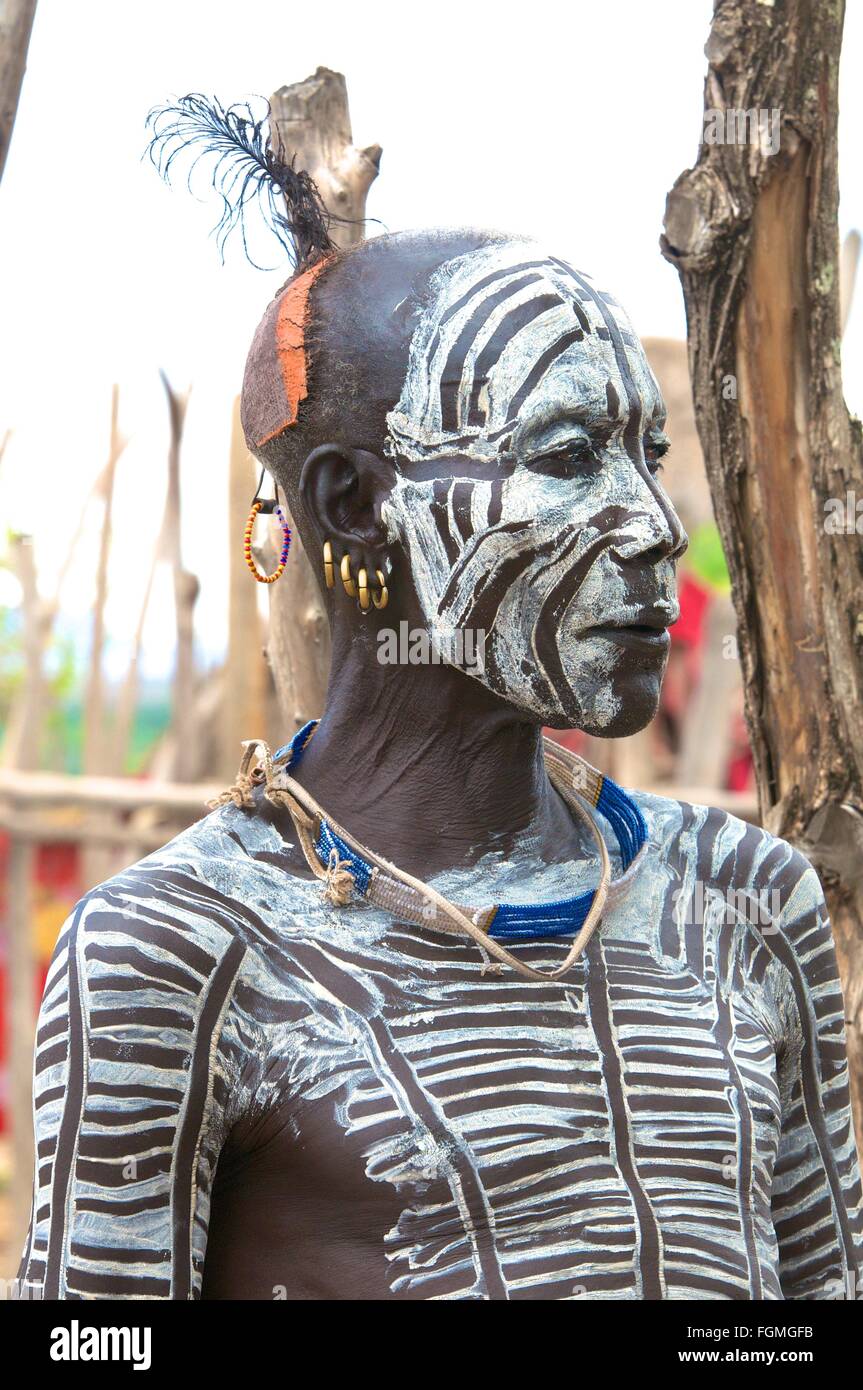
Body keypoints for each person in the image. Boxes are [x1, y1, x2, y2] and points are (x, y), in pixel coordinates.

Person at [17, 100, 862, 1301]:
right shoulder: (186, 952)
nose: (655, 524)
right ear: (358, 503)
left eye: (646, 454)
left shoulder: (744, 900)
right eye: (568, 456)